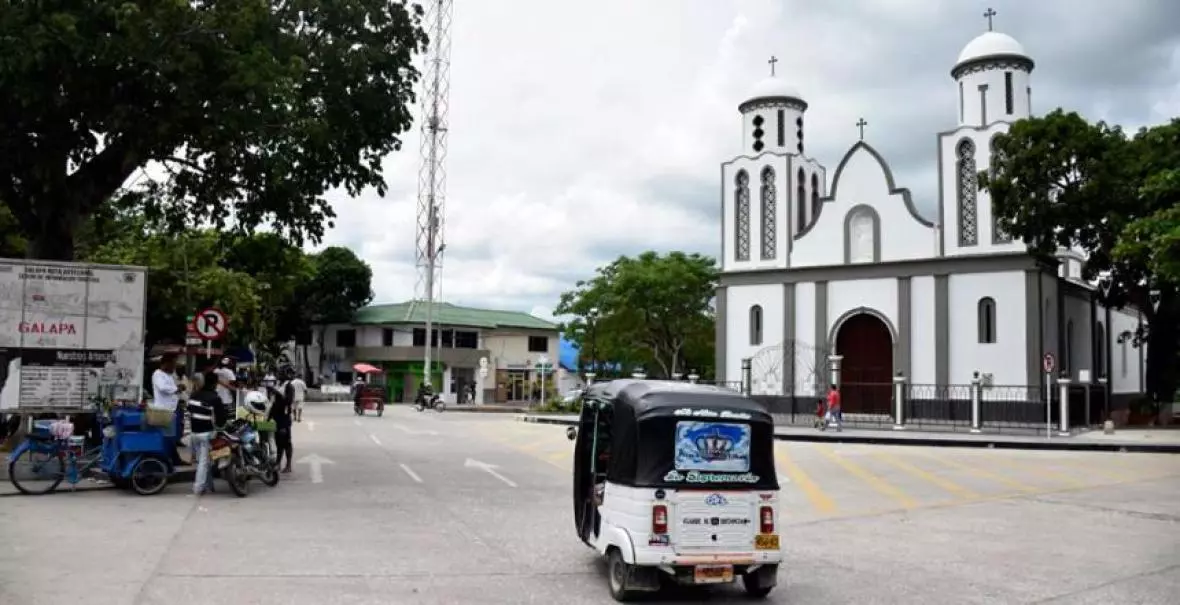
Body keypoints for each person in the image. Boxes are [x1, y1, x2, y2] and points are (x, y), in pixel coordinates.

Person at [188, 369, 228, 496]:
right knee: (205, 462)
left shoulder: (193, 395)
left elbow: (189, 411)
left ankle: (209, 486)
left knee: (204, 461)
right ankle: (198, 488)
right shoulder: (215, 398)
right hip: (206, 434)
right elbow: (222, 420)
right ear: (216, 384)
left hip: (193, 433)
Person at [268, 367, 296, 473]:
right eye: (278, 373)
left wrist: (277, 393)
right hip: (276, 417)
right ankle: (278, 463)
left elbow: (288, 401)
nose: (278, 375)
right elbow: (274, 404)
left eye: (281, 373)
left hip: (284, 418)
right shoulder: (278, 385)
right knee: (278, 441)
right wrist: (269, 417)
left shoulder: (289, 386)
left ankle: (288, 465)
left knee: (286, 442)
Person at [214, 357, 237, 421]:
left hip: (217, 393)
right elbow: (232, 382)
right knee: (226, 413)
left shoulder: (216, 370)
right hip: (226, 396)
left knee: (217, 412)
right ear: (228, 364)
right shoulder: (230, 372)